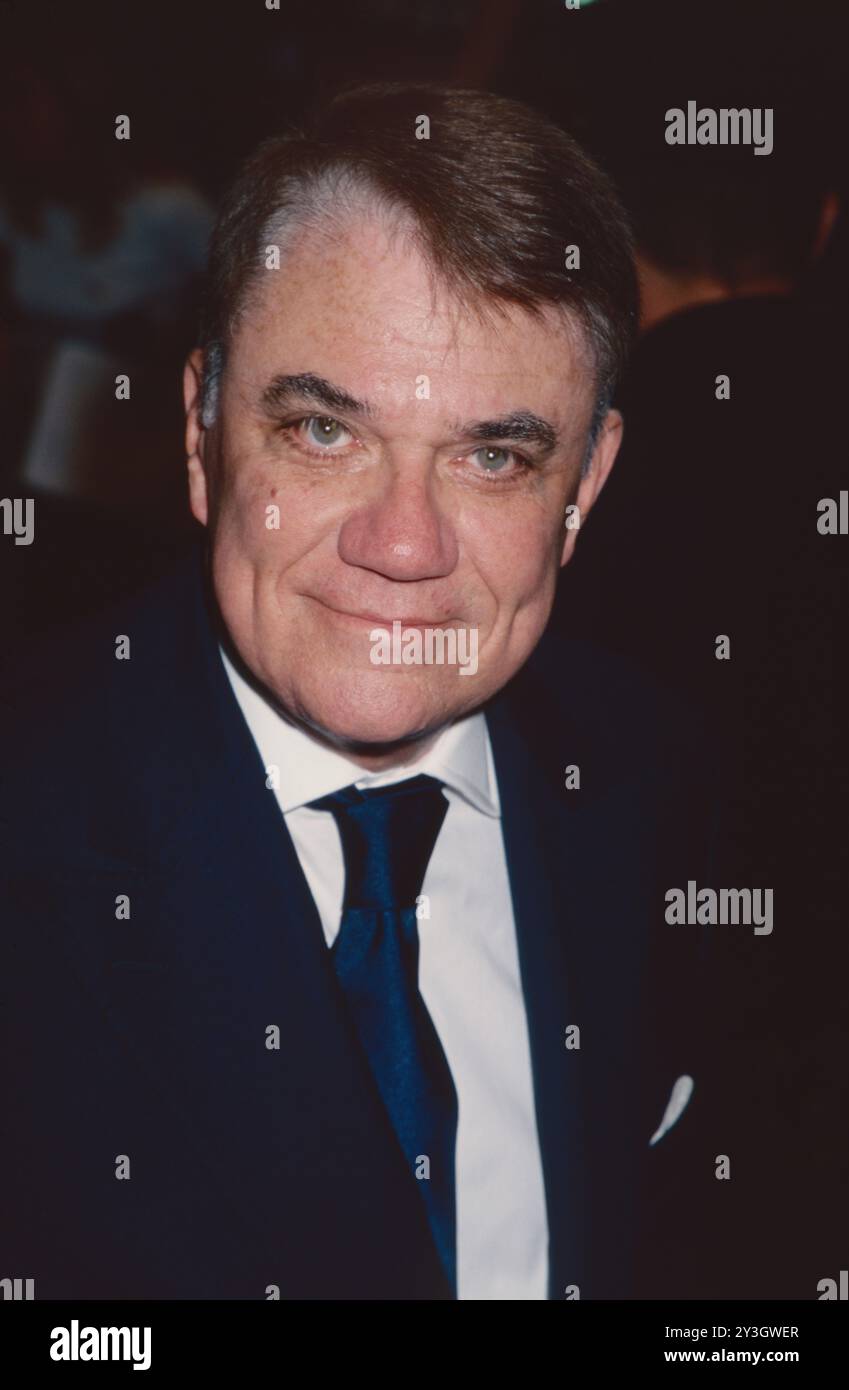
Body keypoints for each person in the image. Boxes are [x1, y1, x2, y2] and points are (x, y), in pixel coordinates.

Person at [0, 84, 805, 1301]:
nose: (404, 543)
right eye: (326, 431)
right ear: (200, 426)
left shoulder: (668, 788)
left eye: (494, 455)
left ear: (587, 480)